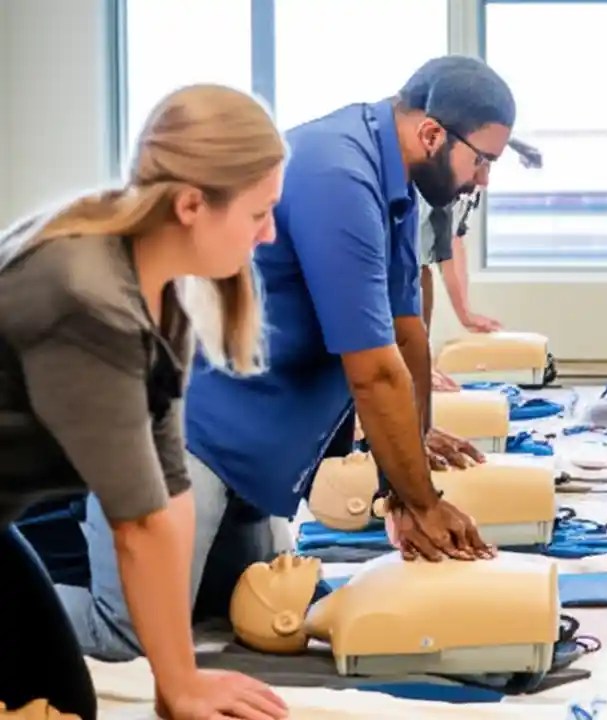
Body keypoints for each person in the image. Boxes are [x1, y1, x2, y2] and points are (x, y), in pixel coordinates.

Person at [58, 55, 508, 663]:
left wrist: (403, 485)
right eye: (482, 160)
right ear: (433, 134)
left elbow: (407, 341)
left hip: (248, 463)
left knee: (237, 605)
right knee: (129, 636)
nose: (481, 180)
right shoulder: (338, 175)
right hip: (180, 438)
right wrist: (421, 503)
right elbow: (372, 371)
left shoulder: (393, 183)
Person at [0, 85, 289, 719]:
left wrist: (175, 674)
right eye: (259, 213)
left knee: (61, 702)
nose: (269, 235)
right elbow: (134, 523)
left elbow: (170, 489)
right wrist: (180, 687)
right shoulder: (88, 297)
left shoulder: (157, 293)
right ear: (191, 204)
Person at [417, 137, 542, 345]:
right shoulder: (424, 181)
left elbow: (452, 240)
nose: (483, 181)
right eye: (478, 164)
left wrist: (465, 313)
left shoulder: (461, 187)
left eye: (488, 167)